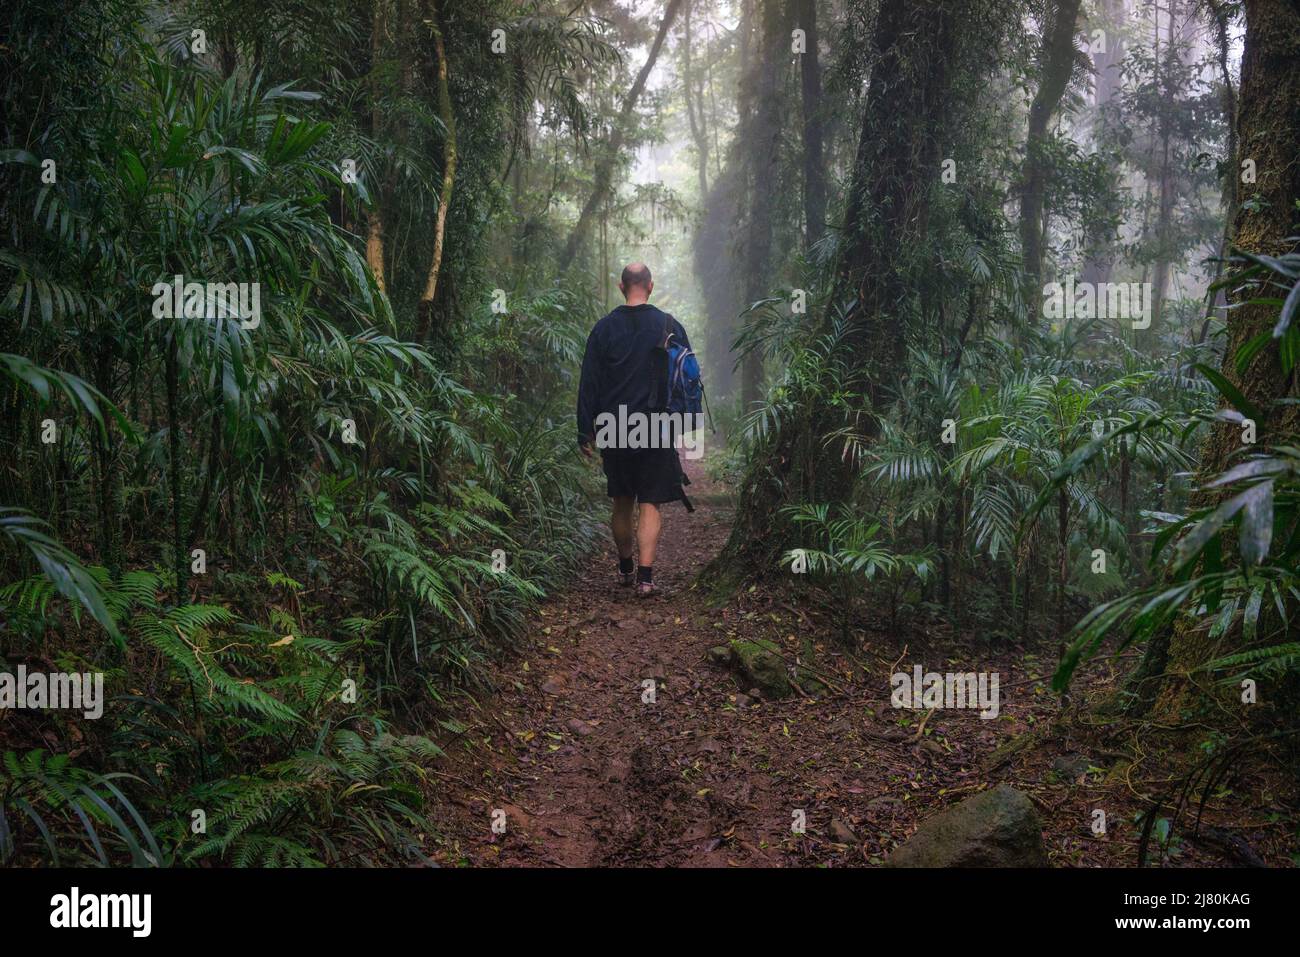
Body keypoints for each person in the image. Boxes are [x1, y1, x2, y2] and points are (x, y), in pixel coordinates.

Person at [577, 262, 693, 596]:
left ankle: (625, 567)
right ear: (650, 286)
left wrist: (585, 430)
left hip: (614, 427)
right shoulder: (669, 325)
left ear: (621, 286)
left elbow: (589, 384)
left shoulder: (603, 329)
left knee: (622, 502)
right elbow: (685, 380)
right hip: (657, 426)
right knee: (650, 503)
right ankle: (645, 578)